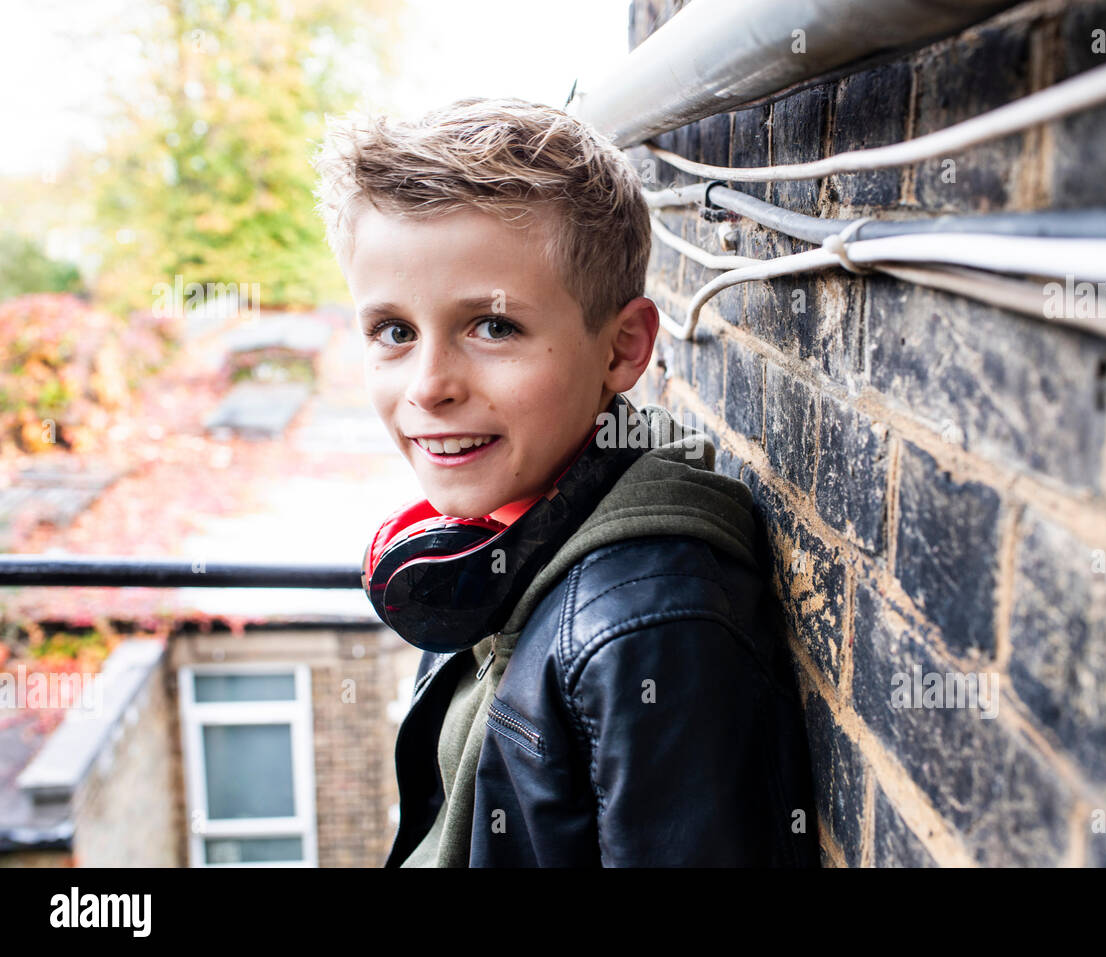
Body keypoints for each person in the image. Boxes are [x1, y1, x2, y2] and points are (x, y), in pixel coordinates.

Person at [313, 96, 818, 867]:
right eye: (394, 331)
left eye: (493, 326)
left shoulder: (648, 632)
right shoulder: (501, 534)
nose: (428, 386)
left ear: (622, 348)